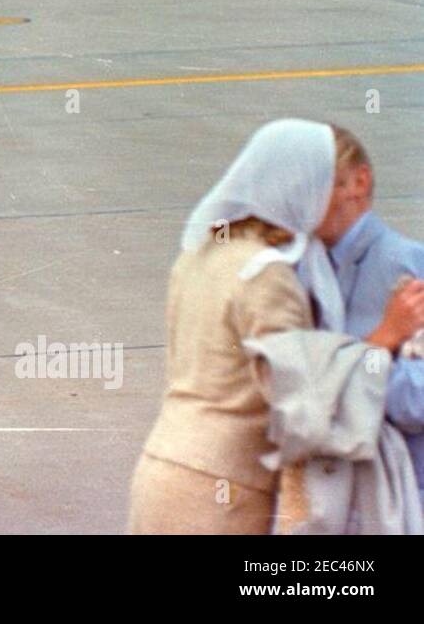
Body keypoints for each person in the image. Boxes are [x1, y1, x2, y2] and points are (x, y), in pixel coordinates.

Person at [127, 119, 424, 534]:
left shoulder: (200, 255)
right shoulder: (268, 275)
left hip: (162, 468)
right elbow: (302, 399)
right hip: (222, 486)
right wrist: (381, 340)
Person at [317, 127, 424, 505]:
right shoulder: (300, 273)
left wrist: (338, 381)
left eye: (318, 184)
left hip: (402, 501)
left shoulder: (408, 267)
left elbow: (417, 400)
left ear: (359, 182)